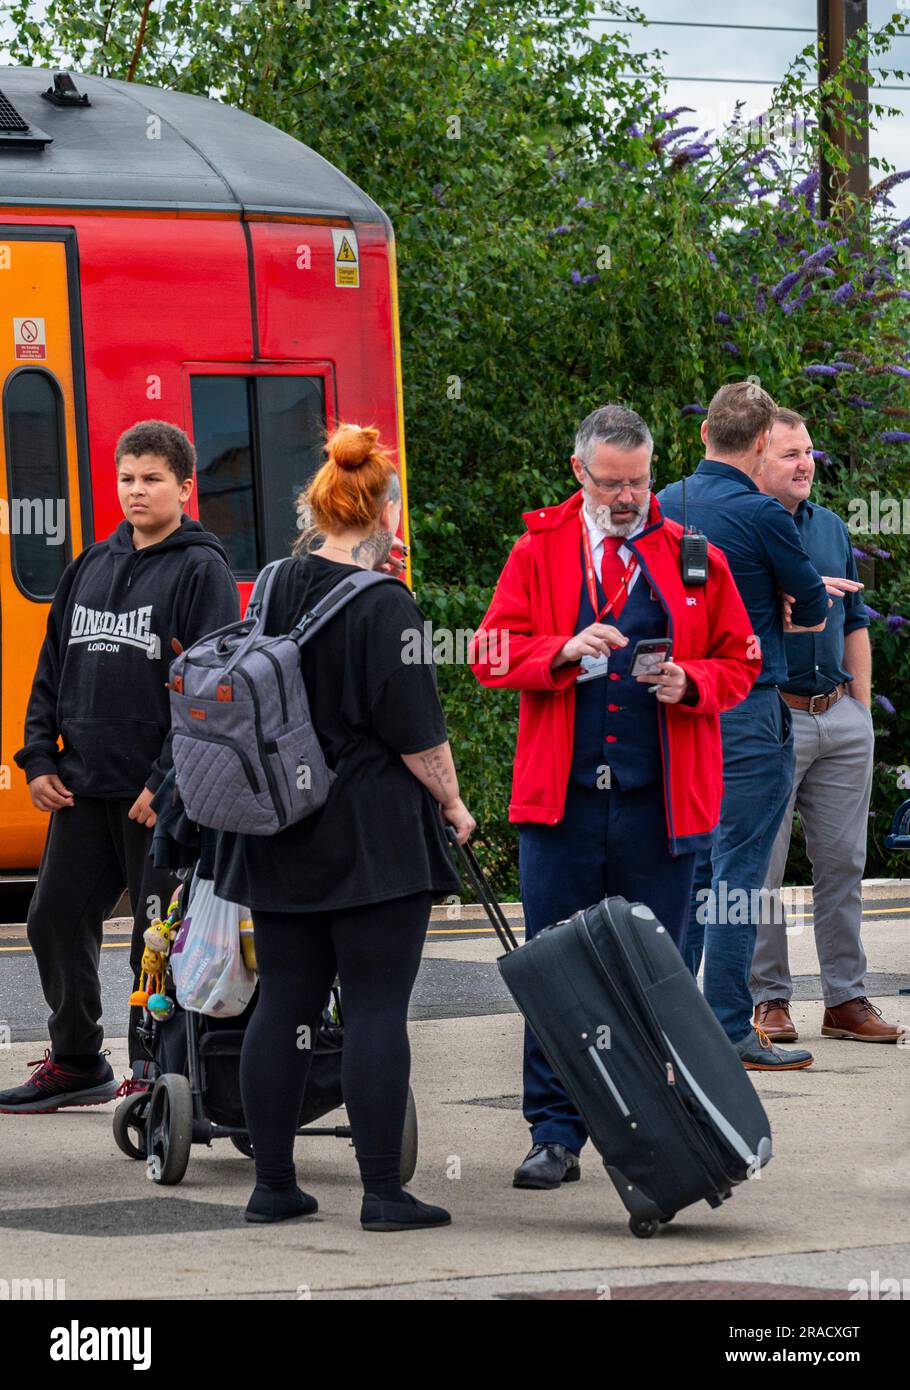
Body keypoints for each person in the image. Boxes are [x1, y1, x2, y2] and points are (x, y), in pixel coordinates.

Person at [470, 403, 758, 1190]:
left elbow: (740, 661)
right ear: (579, 473)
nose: (628, 497)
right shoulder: (539, 547)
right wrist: (560, 650)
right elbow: (489, 652)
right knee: (553, 971)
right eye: (611, 483)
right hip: (559, 808)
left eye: (639, 481)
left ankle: (658, 1132)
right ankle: (554, 1133)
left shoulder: (695, 555)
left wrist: (690, 680)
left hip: (658, 808)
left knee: (655, 978)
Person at [213, 423, 474, 1230]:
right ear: (384, 510)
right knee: (372, 1009)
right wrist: (457, 807)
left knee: (283, 1001)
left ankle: (274, 1184)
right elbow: (416, 733)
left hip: (280, 824)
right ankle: (382, 1193)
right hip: (371, 838)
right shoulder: (389, 602)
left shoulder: (277, 584)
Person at [1, 420, 239, 1114]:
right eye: (127, 478)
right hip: (82, 792)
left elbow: (211, 688)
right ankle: (78, 1062)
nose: (137, 491)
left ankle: (151, 1068)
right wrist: (39, 755)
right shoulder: (89, 567)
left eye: (152, 479)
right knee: (51, 917)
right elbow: (52, 670)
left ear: (185, 487)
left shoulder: (203, 571)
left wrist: (165, 782)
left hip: (156, 799)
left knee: (154, 941)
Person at [658, 382, 832, 1073]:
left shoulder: (661, 503)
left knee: (691, 871)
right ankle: (729, 1025)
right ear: (761, 443)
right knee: (738, 876)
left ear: (704, 434)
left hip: (679, 704)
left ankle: (667, 1025)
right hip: (749, 709)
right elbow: (815, 607)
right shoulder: (764, 515)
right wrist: (787, 605)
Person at [751, 409, 905, 1044]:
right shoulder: (744, 529)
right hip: (773, 716)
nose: (805, 463)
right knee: (762, 868)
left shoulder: (832, 528)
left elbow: (859, 622)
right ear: (758, 461)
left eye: (808, 451)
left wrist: (859, 711)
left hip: (838, 715)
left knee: (842, 863)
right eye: (790, 454)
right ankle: (768, 1000)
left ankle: (845, 999)